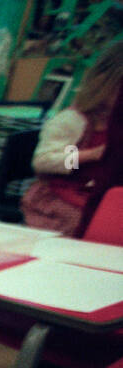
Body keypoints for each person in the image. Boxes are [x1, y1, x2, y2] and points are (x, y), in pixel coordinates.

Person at [22, 41, 123, 235]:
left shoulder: (116, 123)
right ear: (105, 84)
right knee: (91, 225)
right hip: (60, 199)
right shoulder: (74, 120)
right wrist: (92, 154)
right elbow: (44, 160)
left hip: (98, 196)